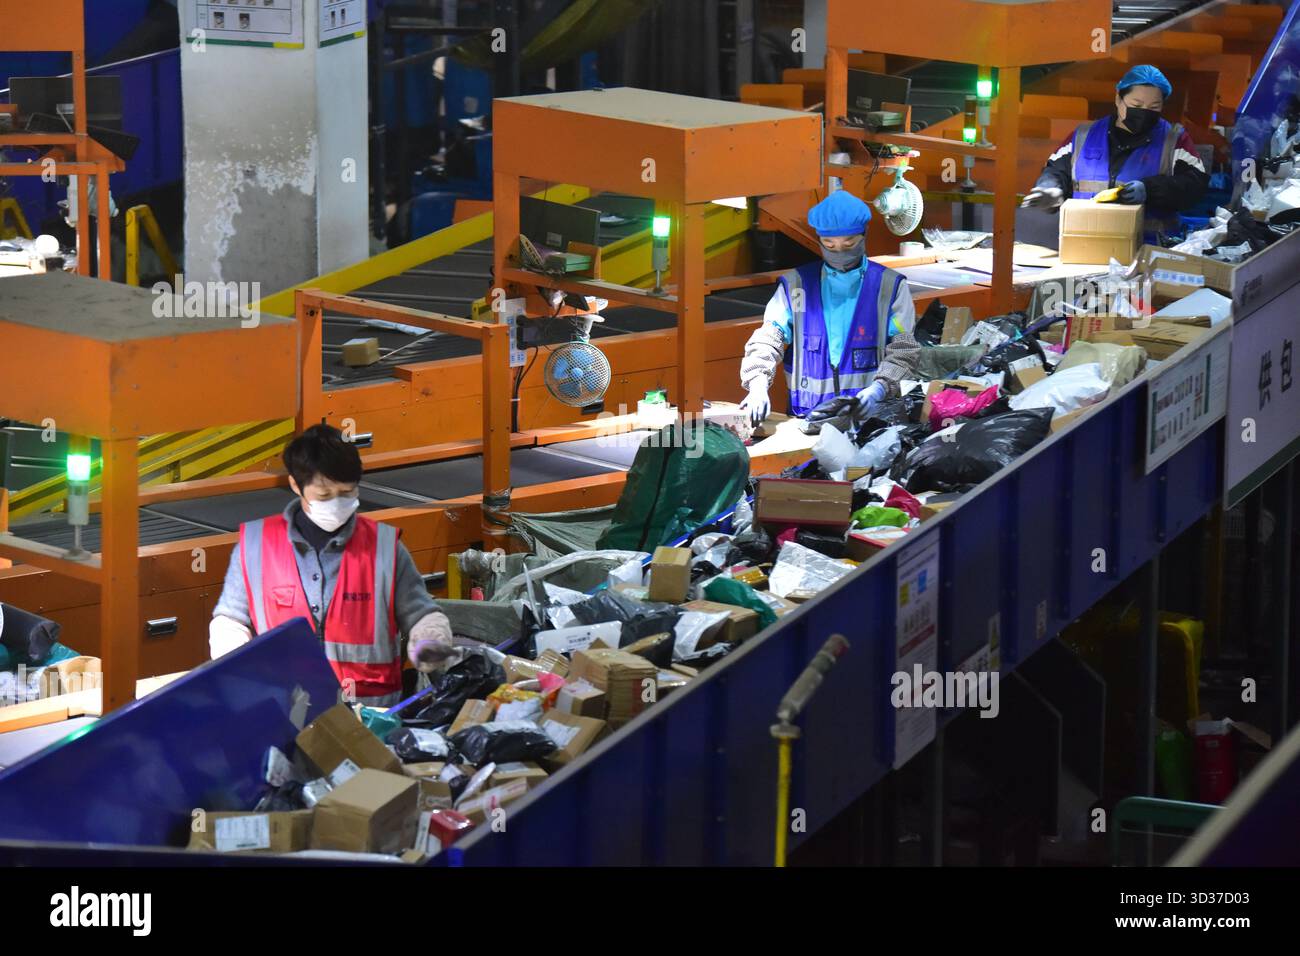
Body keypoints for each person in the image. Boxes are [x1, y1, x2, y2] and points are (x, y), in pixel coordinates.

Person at [209, 424, 454, 706]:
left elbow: (421, 613)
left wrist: (430, 642)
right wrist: (234, 661)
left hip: (370, 717)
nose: (337, 503)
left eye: (347, 493)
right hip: (285, 710)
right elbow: (230, 619)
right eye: (325, 495)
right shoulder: (254, 547)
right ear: (294, 485)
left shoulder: (385, 548)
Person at [739, 190, 919, 425]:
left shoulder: (889, 288)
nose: (839, 251)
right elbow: (767, 339)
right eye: (829, 244)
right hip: (805, 420)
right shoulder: (797, 286)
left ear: (864, 236)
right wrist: (758, 384)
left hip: (867, 422)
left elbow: (904, 350)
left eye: (849, 243)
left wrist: (880, 388)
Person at [1022, 64, 1208, 241]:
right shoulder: (1084, 136)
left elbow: (1195, 184)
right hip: (1084, 245)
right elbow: (1056, 169)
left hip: (1147, 251)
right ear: (1118, 99)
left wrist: (1150, 190)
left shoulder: (1174, 140)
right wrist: (1051, 189)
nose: (1144, 113)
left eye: (1154, 108)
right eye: (1136, 104)